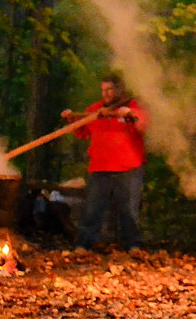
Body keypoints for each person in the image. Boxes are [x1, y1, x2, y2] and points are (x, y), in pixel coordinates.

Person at [61, 74, 150, 252]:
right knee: (92, 210)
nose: (106, 93)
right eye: (103, 90)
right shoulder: (95, 109)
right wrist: (71, 120)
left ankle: (133, 245)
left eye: (109, 89)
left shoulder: (133, 107)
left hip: (128, 168)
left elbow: (142, 125)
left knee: (129, 212)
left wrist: (130, 114)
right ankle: (84, 245)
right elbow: (82, 132)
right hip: (99, 167)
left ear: (119, 90)